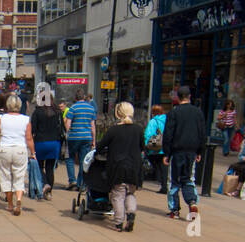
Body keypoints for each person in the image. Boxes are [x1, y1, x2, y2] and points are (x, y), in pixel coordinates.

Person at [95, 101, 143, 231]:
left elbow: (101, 145)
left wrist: (96, 152)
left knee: (118, 195)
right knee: (130, 193)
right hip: (134, 167)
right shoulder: (138, 129)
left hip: (118, 167)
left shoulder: (114, 130)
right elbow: (142, 147)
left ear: (117, 114)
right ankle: (131, 212)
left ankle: (118, 222)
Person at [163, 85, 206, 220]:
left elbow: (168, 134)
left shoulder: (174, 113)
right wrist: (200, 151)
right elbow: (202, 133)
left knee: (174, 181)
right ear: (190, 97)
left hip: (177, 151)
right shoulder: (198, 112)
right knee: (188, 179)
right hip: (191, 151)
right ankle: (192, 202)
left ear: (178, 98)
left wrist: (167, 153)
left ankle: (174, 210)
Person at [0, 94, 34, 216]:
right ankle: (19, 200)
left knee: (5, 176)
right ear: (20, 106)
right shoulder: (26, 119)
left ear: (7, 105)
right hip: (20, 149)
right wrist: (33, 152)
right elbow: (29, 138)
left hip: (5, 149)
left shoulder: (1, 118)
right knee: (19, 176)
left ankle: (10, 204)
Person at [30, 89, 64, 199]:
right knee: (50, 168)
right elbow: (62, 128)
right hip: (54, 143)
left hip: (40, 143)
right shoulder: (58, 112)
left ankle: (45, 184)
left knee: (39, 166)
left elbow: (33, 129)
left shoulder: (37, 112)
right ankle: (49, 192)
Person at [65, 92, 97, 191]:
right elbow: (93, 126)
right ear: (84, 97)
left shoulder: (73, 108)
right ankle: (82, 184)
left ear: (75, 98)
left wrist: (68, 133)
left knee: (69, 158)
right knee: (84, 161)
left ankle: (72, 181)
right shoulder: (91, 109)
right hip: (87, 137)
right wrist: (94, 140)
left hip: (74, 137)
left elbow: (67, 123)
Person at [143, 103, 168, 193]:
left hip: (155, 147)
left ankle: (154, 179)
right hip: (164, 147)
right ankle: (165, 185)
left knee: (153, 163)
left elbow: (148, 135)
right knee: (164, 166)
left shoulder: (153, 121)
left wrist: (146, 145)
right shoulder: (167, 120)